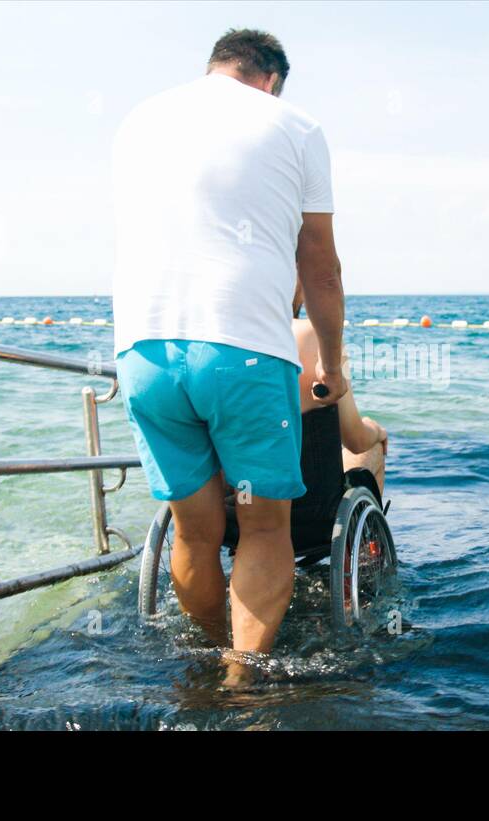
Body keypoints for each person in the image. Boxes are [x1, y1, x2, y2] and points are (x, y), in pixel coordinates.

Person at [110, 29, 348, 673]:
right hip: (241, 347)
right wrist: (332, 361)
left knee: (194, 530)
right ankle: (242, 682)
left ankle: (205, 663)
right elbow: (319, 268)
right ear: (271, 79)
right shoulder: (294, 125)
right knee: (265, 525)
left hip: (143, 349)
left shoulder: (141, 118)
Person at [292, 283, 387, 493]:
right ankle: (369, 526)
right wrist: (377, 430)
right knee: (373, 447)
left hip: (243, 497)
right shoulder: (314, 335)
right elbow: (356, 440)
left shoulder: (224, 343)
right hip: (313, 503)